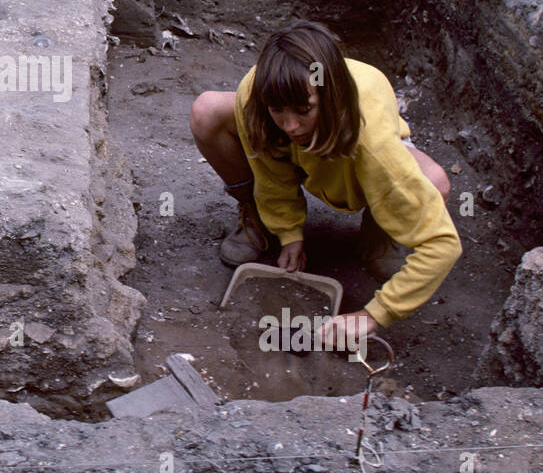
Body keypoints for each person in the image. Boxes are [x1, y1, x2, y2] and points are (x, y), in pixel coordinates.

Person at [189, 20, 461, 341]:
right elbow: (268, 171)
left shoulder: (371, 142)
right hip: (311, 151)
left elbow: (442, 245)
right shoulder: (256, 95)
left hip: (355, 147)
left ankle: (382, 227)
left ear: (329, 99)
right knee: (208, 110)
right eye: (279, 111)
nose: (290, 126)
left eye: (303, 110)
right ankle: (258, 218)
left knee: (435, 184)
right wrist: (288, 231)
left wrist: (373, 315)